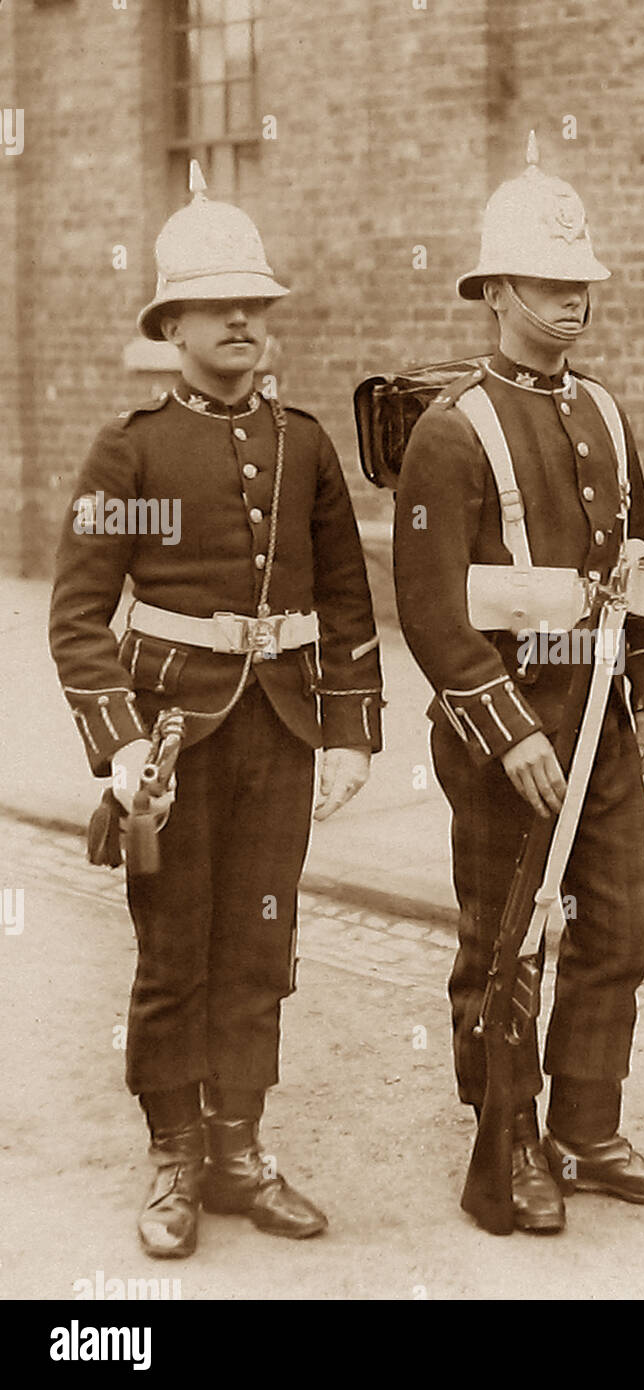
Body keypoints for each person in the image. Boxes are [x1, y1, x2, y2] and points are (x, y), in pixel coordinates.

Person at [49, 164, 383, 1258]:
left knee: (259, 944)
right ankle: (174, 1155)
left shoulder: (303, 442)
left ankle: (240, 1147)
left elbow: (343, 595)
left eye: (256, 304)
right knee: (173, 951)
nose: (243, 320)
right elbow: (79, 617)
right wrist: (120, 747)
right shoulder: (132, 449)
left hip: (281, 732)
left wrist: (348, 731)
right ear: (172, 323)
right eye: (217, 305)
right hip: (173, 745)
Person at [393, 134, 644, 1234]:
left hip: (602, 718)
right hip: (509, 729)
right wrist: (505, 728)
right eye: (549, 286)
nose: (572, 305)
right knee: (507, 935)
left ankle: (588, 1127)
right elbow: (428, 606)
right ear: (497, 291)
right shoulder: (451, 430)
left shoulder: (603, 410)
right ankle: (505, 1139)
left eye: (581, 286)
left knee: (618, 926)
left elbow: (642, 553)